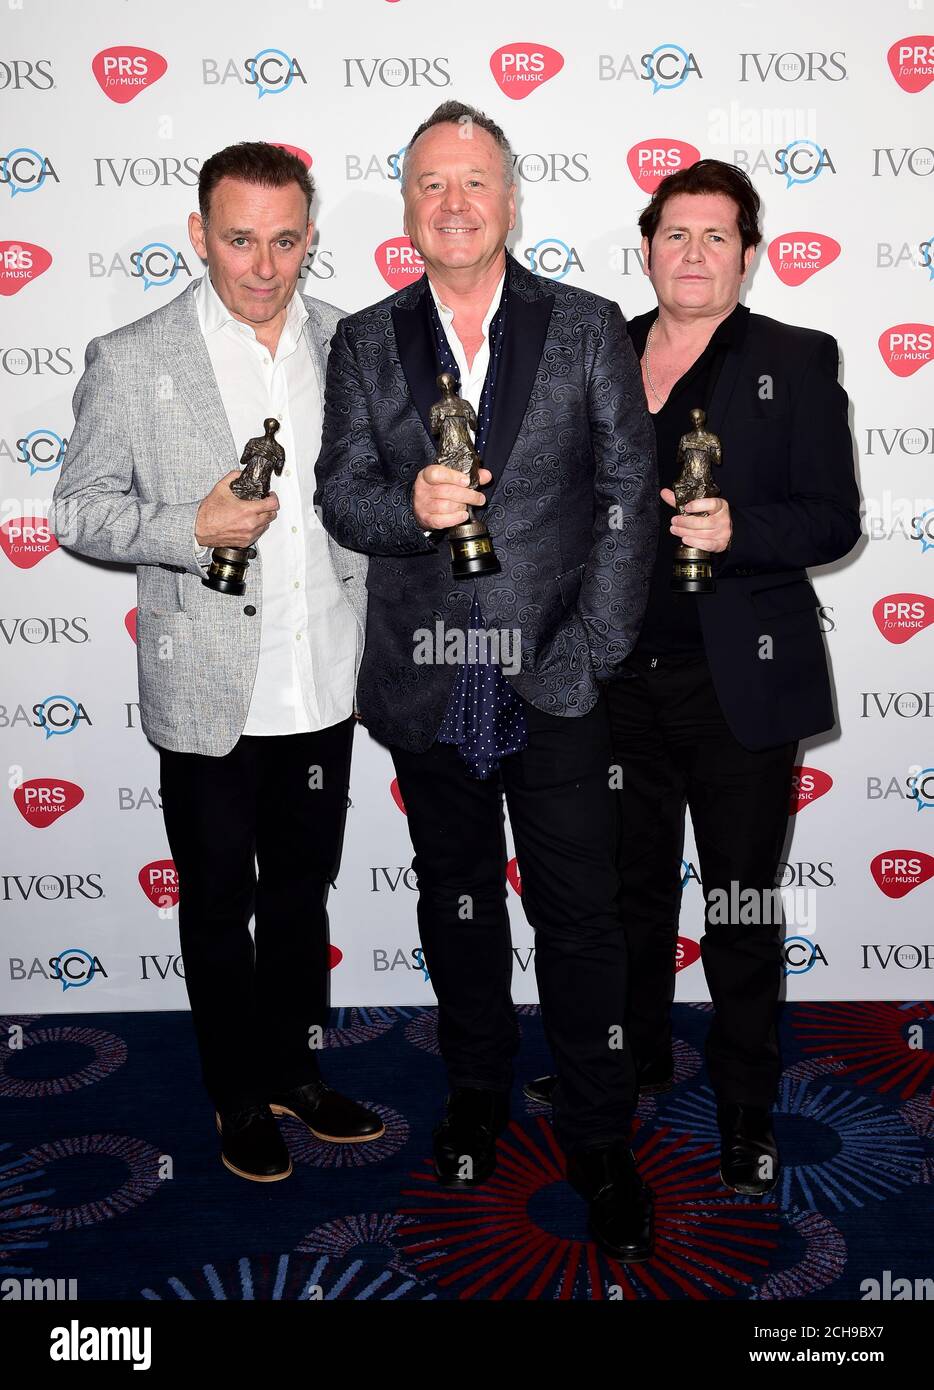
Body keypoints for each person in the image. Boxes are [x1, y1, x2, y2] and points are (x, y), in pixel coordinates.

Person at [315, 102, 658, 1258]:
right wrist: (404, 508)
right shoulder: (366, 340)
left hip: (555, 676)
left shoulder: (585, 325)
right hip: (426, 677)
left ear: (512, 199)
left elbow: (625, 500)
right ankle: (473, 1094)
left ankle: (601, 1138)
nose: (452, 203)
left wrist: (589, 653)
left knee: (578, 916)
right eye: (428, 185)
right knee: (454, 898)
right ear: (406, 206)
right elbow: (339, 493)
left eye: (473, 182)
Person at [523, 159, 861, 1196]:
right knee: (623, 895)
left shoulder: (795, 359)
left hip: (738, 687)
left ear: (749, 256)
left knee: (740, 901)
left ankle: (747, 1102)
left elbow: (833, 519)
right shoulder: (599, 352)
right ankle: (630, 1062)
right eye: (676, 235)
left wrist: (738, 528)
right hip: (616, 678)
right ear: (646, 247)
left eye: (718, 237)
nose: (695, 255)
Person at [51, 141, 382, 1184]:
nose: (262, 263)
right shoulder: (133, 354)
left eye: (285, 240)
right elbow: (77, 510)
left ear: (309, 239)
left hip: (325, 675)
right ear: (200, 236)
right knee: (214, 898)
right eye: (239, 239)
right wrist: (187, 525)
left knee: (301, 891)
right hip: (206, 690)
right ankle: (234, 1092)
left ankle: (295, 1069)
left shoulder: (354, 344)